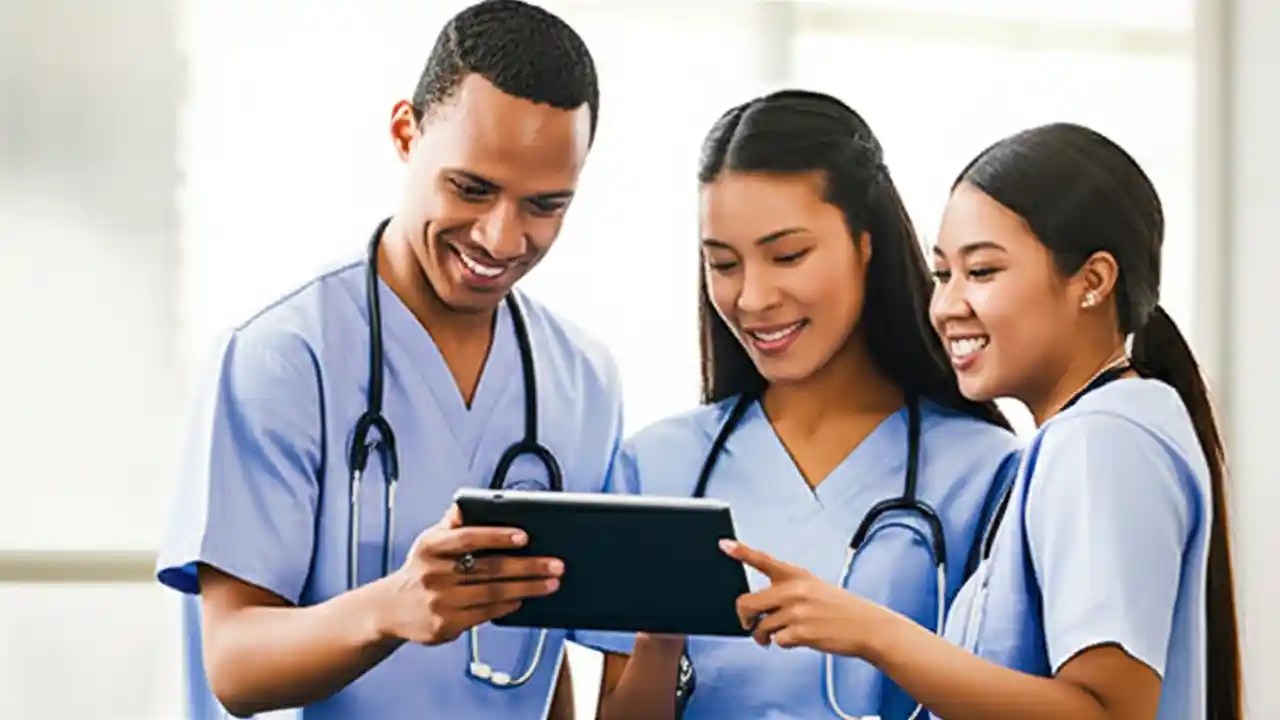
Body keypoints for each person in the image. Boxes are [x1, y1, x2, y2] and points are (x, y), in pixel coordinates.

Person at [154, 2, 620, 718]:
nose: (502, 237)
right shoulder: (285, 358)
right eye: (472, 188)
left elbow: (532, 654)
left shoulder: (582, 381)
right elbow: (235, 665)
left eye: (545, 205)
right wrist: (392, 609)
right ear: (407, 132)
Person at [722, 122, 1242, 720]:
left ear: (1093, 281)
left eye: (984, 272)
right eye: (943, 274)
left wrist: (873, 633)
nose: (946, 307)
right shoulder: (1101, 430)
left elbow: (1107, 713)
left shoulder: (1103, 440)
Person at [572, 90, 1021, 720]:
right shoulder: (659, 467)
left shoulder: (985, 471)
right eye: (723, 263)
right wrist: (659, 640)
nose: (752, 298)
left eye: (788, 256)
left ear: (868, 242)